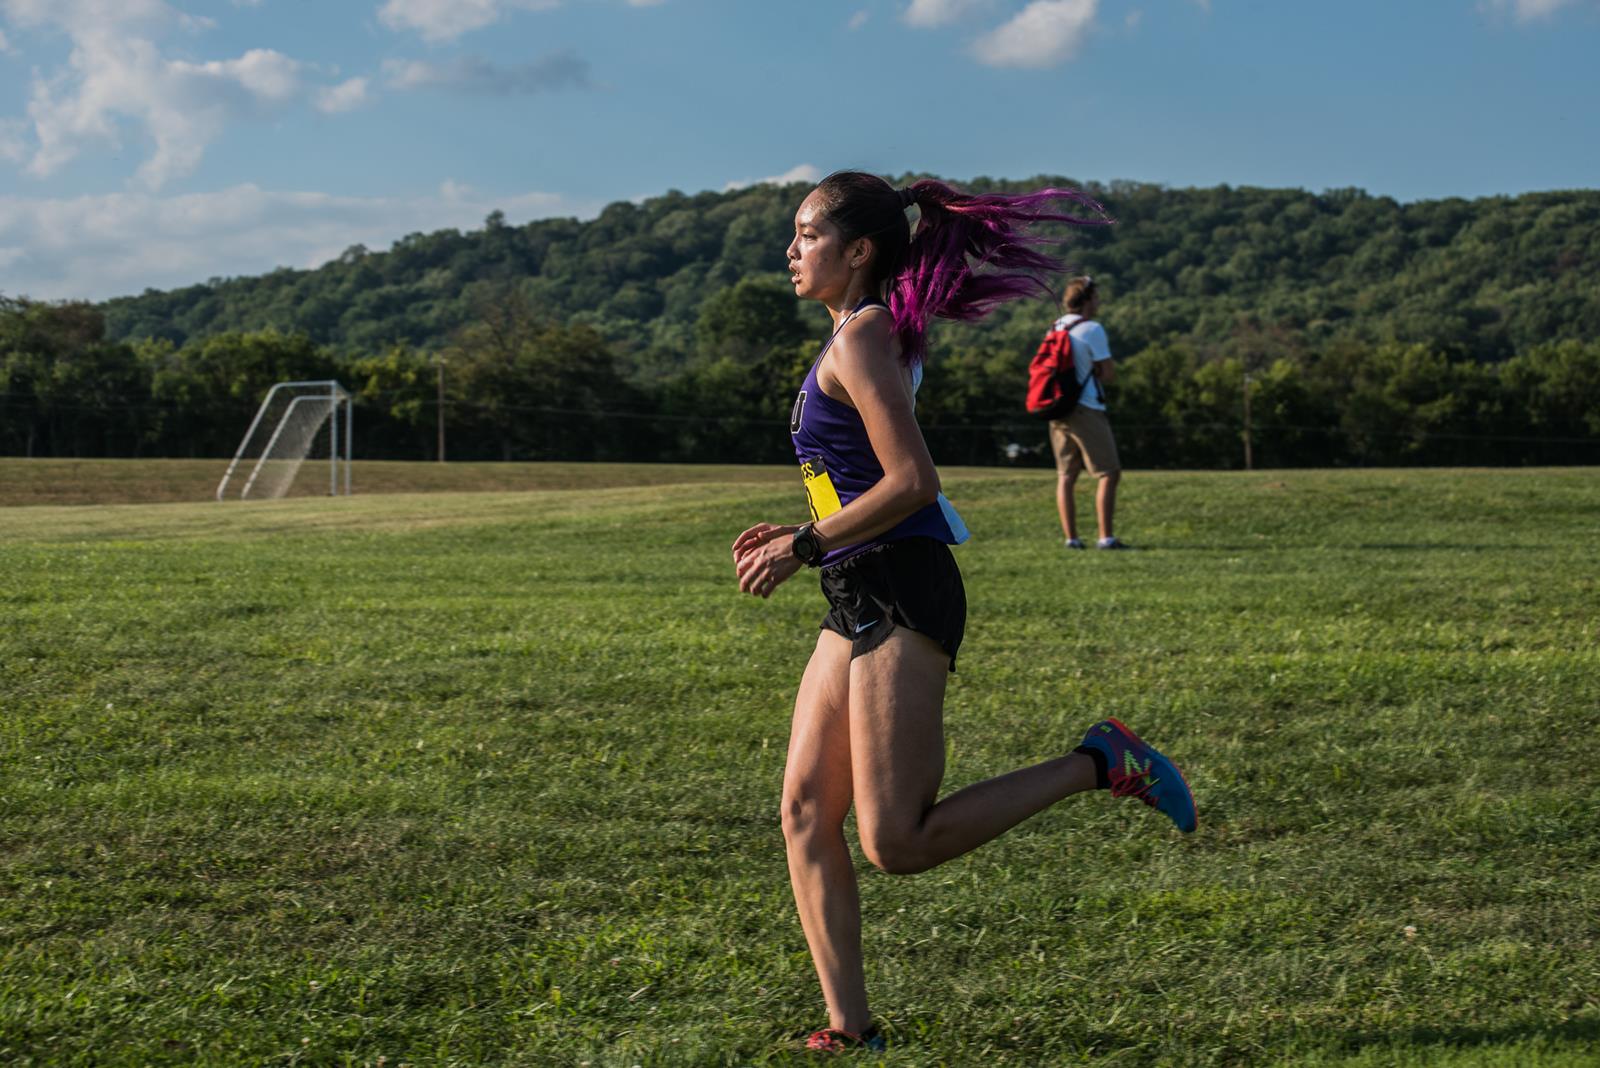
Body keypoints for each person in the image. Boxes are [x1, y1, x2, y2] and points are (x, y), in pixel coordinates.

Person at [731, 172, 1196, 1053]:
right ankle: (851, 1030)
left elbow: (914, 484)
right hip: (857, 586)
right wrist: (812, 534)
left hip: (902, 585)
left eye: (806, 235)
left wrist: (803, 544)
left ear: (858, 251)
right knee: (801, 810)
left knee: (897, 840)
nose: (791, 251)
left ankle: (1100, 762)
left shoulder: (866, 338)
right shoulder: (863, 330)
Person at [1046, 276, 1126, 550]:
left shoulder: (1056, 326)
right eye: (1097, 297)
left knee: (1066, 475)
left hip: (1057, 408)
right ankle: (1106, 537)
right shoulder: (1092, 329)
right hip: (1086, 408)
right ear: (1089, 299)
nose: (1099, 301)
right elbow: (1108, 373)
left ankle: (1072, 539)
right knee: (1108, 473)